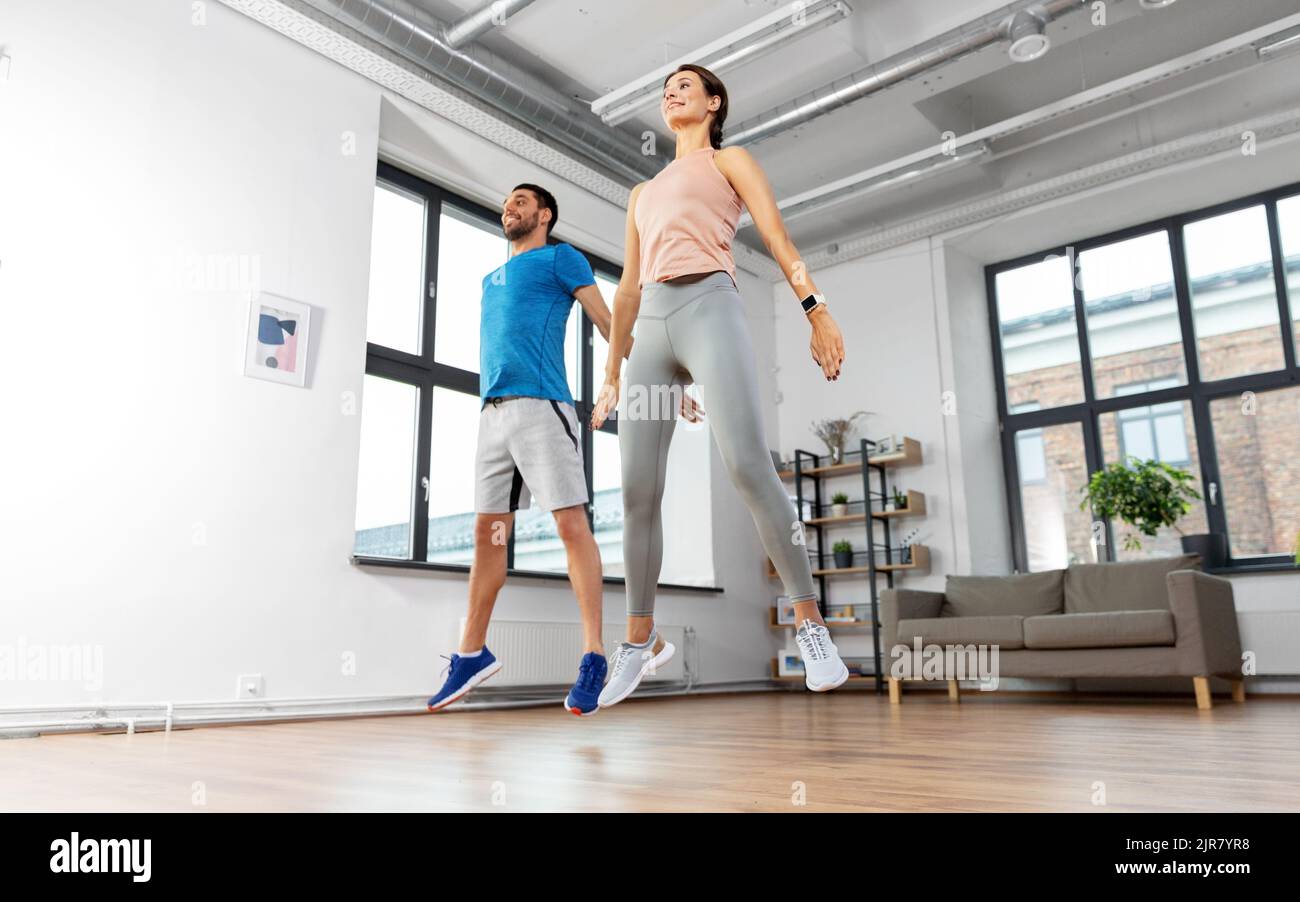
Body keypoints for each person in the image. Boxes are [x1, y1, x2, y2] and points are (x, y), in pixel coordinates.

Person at [591, 64, 851, 706]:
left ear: (714, 102)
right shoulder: (640, 193)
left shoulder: (730, 160)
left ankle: (810, 623)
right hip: (651, 327)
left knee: (746, 465)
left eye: (687, 84)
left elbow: (777, 236)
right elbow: (626, 291)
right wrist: (612, 372)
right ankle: (637, 641)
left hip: (710, 307)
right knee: (636, 490)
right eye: (665, 86)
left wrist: (815, 308)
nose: (671, 91)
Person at [426, 183, 617, 716]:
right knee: (489, 537)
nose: (509, 208)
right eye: (507, 203)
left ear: (544, 214)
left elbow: (607, 322)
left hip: (542, 408)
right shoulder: (491, 280)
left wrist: (628, 380)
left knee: (569, 526)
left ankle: (593, 654)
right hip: (493, 416)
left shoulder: (562, 258)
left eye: (521, 202)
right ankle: (471, 652)